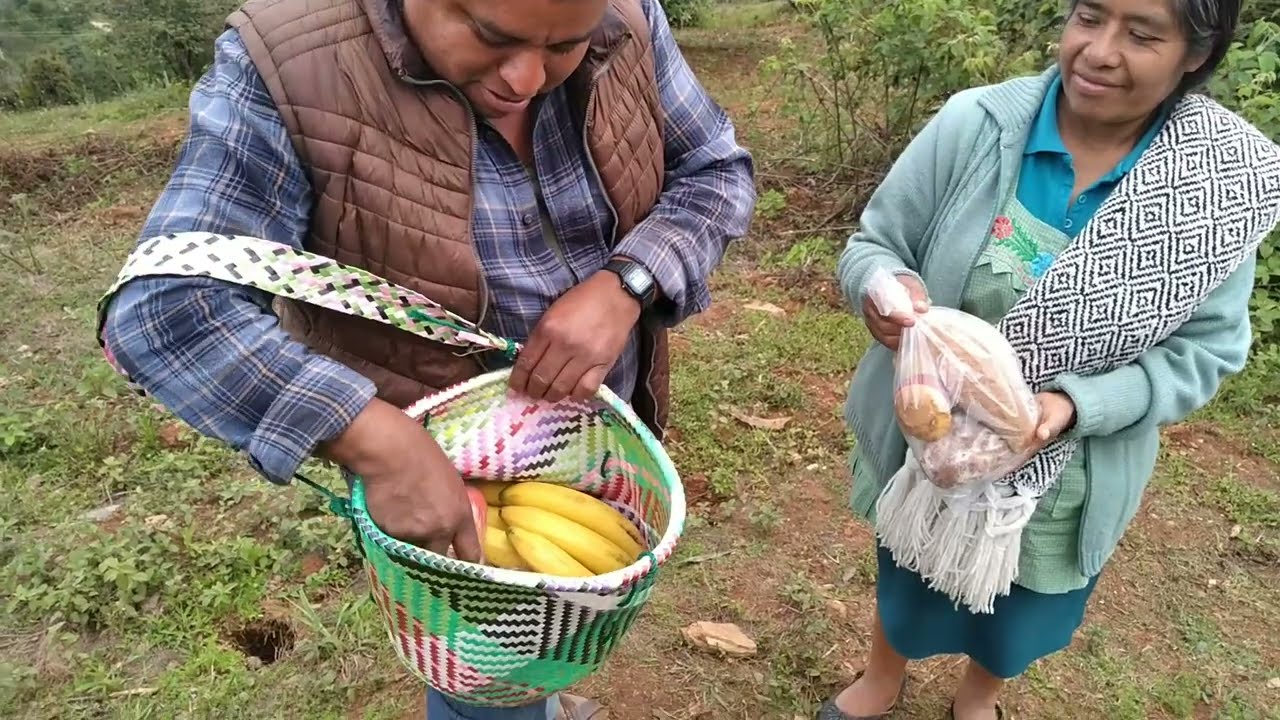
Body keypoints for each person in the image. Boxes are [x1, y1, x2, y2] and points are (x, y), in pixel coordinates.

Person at [96, 0, 756, 717]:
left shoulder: (628, 14)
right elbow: (166, 310)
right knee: (479, 673)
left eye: (566, 45)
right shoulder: (286, 63)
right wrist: (374, 440)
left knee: (560, 623)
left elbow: (715, 171)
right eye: (492, 37)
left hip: (598, 439)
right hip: (440, 470)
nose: (527, 78)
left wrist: (629, 280)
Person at [824, 0, 1279, 718]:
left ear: (1195, 53)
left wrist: (1073, 407)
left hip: (1061, 477)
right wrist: (886, 289)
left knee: (1015, 617)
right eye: (1089, 17)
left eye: (1141, 34)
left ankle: (978, 698)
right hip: (930, 447)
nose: (1098, 51)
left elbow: (1207, 352)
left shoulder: (1215, 188)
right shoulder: (977, 124)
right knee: (906, 572)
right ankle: (883, 676)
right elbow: (874, 243)